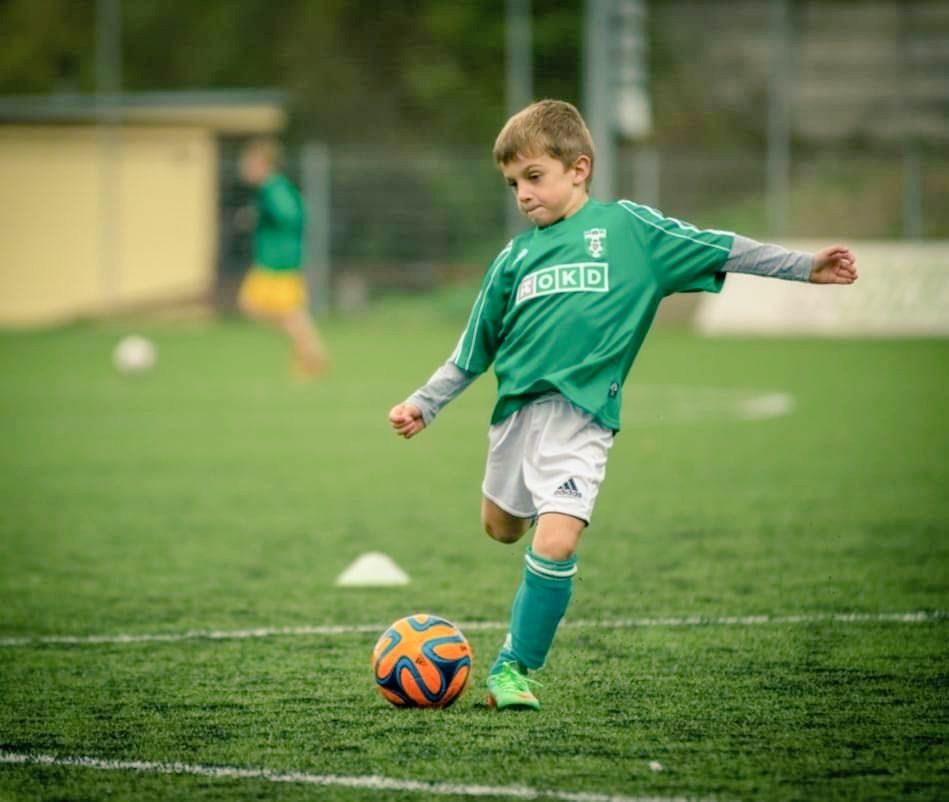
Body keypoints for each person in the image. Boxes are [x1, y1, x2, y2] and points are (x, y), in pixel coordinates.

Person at [387, 99, 857, 711]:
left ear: (579, 168)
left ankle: (513, 669)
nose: (523, 194)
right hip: (515, 420)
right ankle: (531, 525)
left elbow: (720, 247)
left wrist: (804, 267)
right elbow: (472, 350)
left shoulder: (630, 231)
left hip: (582, 420)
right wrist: (424, 404)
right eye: (513, 183)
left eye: (534, 176)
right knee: (502, 528)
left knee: (556, 543)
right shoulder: (514, 259)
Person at [237, 138, 329, 376]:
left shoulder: (273, 187)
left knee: (271, 310)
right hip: (273, 260)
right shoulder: (270, 188)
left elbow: (291, 215)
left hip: (278, 262)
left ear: (263, 164)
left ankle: (312, 354)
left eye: (249, 163)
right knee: (272, 310)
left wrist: (259, 216)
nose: (245, 168)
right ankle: (310, 353)